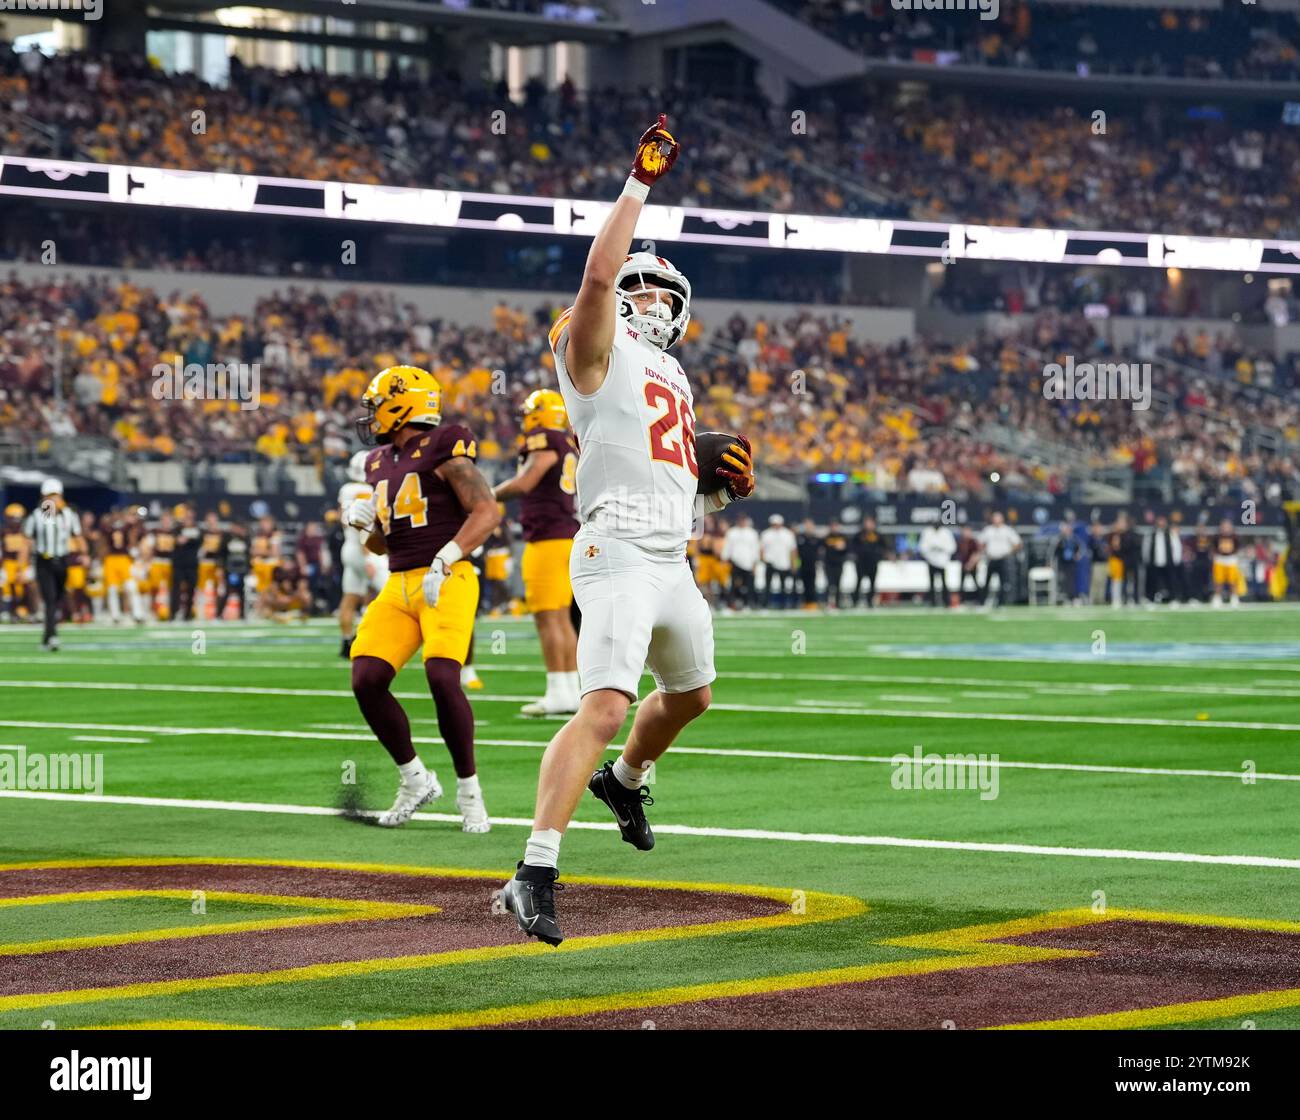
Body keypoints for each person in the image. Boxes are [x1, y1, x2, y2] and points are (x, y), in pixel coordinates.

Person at [500, 116, 756, 946]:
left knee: (692, 695)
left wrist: (718, 498)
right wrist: (639, 182)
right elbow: (599, 275)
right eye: (646, 290)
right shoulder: (591, 350)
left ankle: (627, 781)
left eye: (663, 297)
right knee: (605, 703)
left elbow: (666, 471)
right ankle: (533, 869)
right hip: (613, 551)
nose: (656, 304)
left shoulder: (672, 373)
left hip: (670, 555)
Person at [344, 365, 501, 833]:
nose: (370, 418)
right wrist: (365, 527)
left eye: (376, 407)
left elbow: (487, 509)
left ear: (402, 403)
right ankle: (415, 779)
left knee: (441, 676)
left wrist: (447, 555)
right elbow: (383, 546)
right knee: (366, 678)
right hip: (400, 582)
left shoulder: (444, 444)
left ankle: (469, 790)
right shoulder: (378, 463)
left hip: (447, 576)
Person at [493, 389, 581, 717]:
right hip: (566, 536)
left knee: (548, 618)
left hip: (547, 538)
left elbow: (526, 481)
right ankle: (570, 690)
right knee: (561, 619)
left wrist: (488, 496)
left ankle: (559, 691)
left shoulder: (544, 439)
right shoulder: (568, 441)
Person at [24, 479, 80, 650]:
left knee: (57, 599)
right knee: (50, 600)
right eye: (50, 496)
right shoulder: (39, 514)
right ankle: (52, 637)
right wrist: (22, 565)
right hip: (45, 561)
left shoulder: (69, 514)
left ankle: (47, 636)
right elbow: (28, 541)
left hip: (62, 562)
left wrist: (85, 555)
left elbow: (77, 537)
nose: (53, 499)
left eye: (55, 496)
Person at [337, 450, 377, 658]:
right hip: (365, 549)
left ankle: (346, 642)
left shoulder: (347, 489)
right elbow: (362, 525)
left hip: (349, 548)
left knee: (350, 597)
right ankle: (371, 638)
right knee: (390, 593)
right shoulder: (365, 490)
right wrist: (369, 556)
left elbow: (342, 518)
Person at [979, 512, 1022, 607]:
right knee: (986, 581)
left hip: (1003, 560)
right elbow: (981, 543)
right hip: (991, 559)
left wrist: (1008, 552)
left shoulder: (1007, 530)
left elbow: (1018, 543)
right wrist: (986, 552)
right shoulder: (988, 530)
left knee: (1003, 582)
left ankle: (1000, 602)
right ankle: (983, 602)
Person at [721, 512, 760, 609]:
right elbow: (728, 547)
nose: (742, 522)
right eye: (740, 520)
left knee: (749, 586)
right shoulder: (732, 532)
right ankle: (731, 605)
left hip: (749, 563)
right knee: (733, 585)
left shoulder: (752, 533)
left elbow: (755, 549)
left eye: (743, 520)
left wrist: (754, 564)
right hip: (735, 563)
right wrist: (724, 559)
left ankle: (748, 605)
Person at [2, 503, 32, 622]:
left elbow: (28, 550)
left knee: (26, 586)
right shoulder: (3, 532)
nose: (15, 522)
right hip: (7, 563)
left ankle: (27, 610)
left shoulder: (26, 532)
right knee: (6, 587)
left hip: (23, 564)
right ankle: (7, 611)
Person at [1142, 514, 1182, 604]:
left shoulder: (1171, 535)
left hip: (1168, 562)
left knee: (1171, 581)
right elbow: (1146, 548)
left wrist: (1176, 560)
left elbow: (1176, 547)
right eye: (1159, 522)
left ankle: (1173, 598)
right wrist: (1146, 560)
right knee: (1152, 582)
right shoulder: (1150, 535)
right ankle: (1150, 598)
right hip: (1154, 562)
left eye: (1163, 522)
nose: (1161, 524)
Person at [761, 514, 797, 608]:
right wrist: (764, 559)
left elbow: (793, 550)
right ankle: (766, 604)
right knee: (768, 585)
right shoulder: (766, 534)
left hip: (784, 563)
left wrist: (794, 564)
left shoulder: (788, 534)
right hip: (770, 562)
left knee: (784, 586)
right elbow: (761, 549)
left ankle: (784, 604)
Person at [918, 522, 957, 607]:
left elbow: (952, 547)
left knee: (944, 582)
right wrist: (931, 550)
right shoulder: (927, 532)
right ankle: (933, 602)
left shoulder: (946, 533)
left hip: (942, 561)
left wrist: (941, 548)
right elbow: (922, 547)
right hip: (931, 560)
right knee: (932, 583)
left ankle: (946, 602)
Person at [1211, 517, 1244, 608]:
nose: (1225, 528)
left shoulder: (1235, 536)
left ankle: (1234, 598)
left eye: (1227, 526)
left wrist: (1236, 557)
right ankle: (1217, 598)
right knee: (1218, 581)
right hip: (1220, 559)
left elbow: (1238, 548)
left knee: (1233, 581)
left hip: (1231, 560)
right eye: (1224, 526)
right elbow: (1213, 548)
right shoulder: (1217, 537)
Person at [854, 517, 885, 607]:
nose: (869, 525)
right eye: (867, 523)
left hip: (872, 562)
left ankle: (870, 601)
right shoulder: (859, 535)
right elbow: (853, 547)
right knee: (859, 582)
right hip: (861, 562)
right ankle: (855, 601)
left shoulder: (877, 535)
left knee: (872, 583)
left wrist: (878, 556)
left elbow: (884, 547)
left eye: (871, 523)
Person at [822, 522, 850, 609]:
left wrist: (843, 547)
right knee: (829, 584)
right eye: (833, 526)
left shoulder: (843, 537)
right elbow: (821, 549)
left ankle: (837, 603)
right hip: (828, 564)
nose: (834, 528)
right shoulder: (826, 537)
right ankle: (827, 603)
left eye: (836, 526)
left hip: (838, 564)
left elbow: (848, 549)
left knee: (838, 584)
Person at [796, 518, 822, 609]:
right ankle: (805, 603)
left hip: (812, 565)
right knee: (803, 584)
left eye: (810, 525)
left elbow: (820, 552)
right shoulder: (800, 538)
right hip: (802, 564)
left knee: (812, 584)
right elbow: (796, 552)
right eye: (807, 525)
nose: (808, 527)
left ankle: (812, 603)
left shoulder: (816, 539)